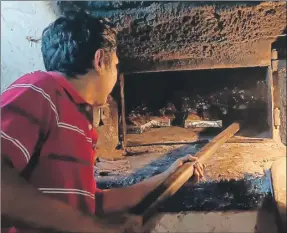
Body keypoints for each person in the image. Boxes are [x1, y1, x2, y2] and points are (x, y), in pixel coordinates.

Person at [1, 12, 204, 233]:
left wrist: (167, 176)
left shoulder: (78, 119)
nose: (116, 74)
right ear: (100, 60)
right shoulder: (39, 89)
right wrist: (96, 228)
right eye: (116, 65)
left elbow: (92, 203)